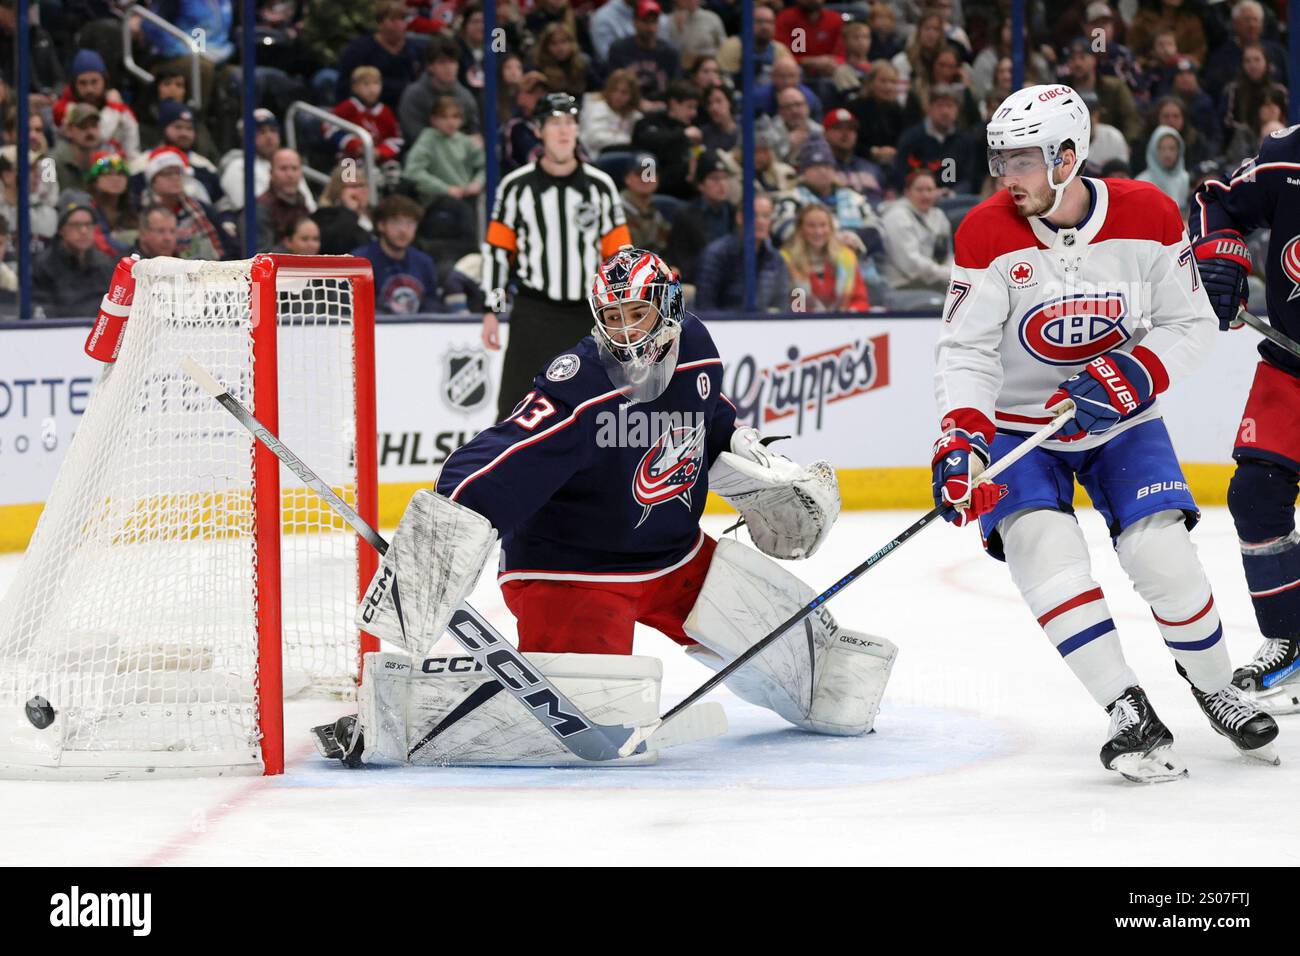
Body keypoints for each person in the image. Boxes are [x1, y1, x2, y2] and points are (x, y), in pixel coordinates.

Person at [318, 247, 893, 768]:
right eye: (611, 317)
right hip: (572, 573)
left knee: (798, 645)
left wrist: (749, 453)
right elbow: (506, 451)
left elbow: (710, 417)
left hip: (672, 556)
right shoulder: (581, 382)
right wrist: (442, 531)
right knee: (585, 712)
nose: (623, 331)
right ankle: (391, 717)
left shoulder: (695, 347)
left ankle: (828, 690)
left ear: (667, 307)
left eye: (635, 314)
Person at [932, 83, 1279, 782]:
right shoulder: (985, 230)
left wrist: (1133, 374)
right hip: (1019, 426)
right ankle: (1126, 706)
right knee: (1042, 550)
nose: (1008, 178)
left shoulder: (1147, 213)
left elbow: (1188, 325)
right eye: (1001, 161)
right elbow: (966, 350)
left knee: (1163, 558)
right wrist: (961, 439)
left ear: (1068, 156)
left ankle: (1214, 687)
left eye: (1023, 161)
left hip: (1122, 418)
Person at [1187, 124, 1300, 717]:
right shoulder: (1287, 156)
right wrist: (1220, 256)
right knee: (1256, 496)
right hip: (1291, 366)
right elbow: (1215, 203)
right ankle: (1292, 636)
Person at [481, 93, 631, 421]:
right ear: (539, 130)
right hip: (534, 314)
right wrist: (492, 309)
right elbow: (496, 253)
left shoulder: (600, 186)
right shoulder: (515, 187)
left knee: (597, 407)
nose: (563, 131)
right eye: (554, 123)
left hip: (587, 317)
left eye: (569, 123)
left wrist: (621, 316)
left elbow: (619, 256)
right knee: (514, 409)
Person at [694, 194, 789, 311]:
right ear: (739, 218)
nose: (760, 222)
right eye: (754, 215)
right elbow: (704, 305)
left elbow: (781, 304)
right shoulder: (717, 253)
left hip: (764, 326)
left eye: (766, 216)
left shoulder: (776, 259)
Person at [352, 194, 441, 314]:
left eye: (410, 223)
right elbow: (357, 309)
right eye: (397, 222)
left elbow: (432, 305)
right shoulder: (361, 261)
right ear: (381, 225)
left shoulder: (424, 262)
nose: (404, 230)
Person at [334, 1, 424, 111]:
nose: (399, 25)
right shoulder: (359, 49)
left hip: (408, 109)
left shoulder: (417, 49)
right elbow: (345, 86)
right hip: (366, 110)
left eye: (402, 19)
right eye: (393, 20)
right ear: (380, 22)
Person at [51, 49, 140, 160]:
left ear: (104, 82)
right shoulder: (62, 109)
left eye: (94, 82)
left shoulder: (123, 111)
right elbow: (99, 135)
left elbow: (132, 152)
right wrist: (113, 107)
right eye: (82, 83)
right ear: (74, 85)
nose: (89, 89)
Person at [32, 201, 116, 318]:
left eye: (88, 224)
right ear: (61, 230)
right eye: (76, 225)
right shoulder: (43, 266)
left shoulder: (104, 264)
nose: (84, 231)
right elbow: (42, 310)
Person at [143, 147, 229, 261]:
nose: (175, 178)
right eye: (167, 173)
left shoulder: (201, 209)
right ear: (153, 181)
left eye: (178, 173)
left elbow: (228, 247)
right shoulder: (143, 211)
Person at [781, 204, 869, 312]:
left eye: (823, 225)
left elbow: (860, 300)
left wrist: (851, 312)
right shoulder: (786, 260)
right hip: (800, 324)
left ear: (831, 228)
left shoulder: (847, 258)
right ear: (800, 229)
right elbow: (781, 302)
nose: (818, 232)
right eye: (811, 226)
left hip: (842, 324)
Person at [663, 149, 733, 284]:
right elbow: (680, 260)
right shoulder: (686, 216)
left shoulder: (735, 212)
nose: (722, 184)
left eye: (725, 177)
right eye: (714, 178)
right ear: (701, 185)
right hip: (700, 280)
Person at [398, 33, 482, 145]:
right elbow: (415, 136)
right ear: (430, 66)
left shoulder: (465, 97)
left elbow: (473, 132)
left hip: (459, 157)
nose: (449, 68)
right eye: (442, 62)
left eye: (452, 62)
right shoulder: (413, 95)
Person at [402, 96, 485, 207]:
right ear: (434, 119)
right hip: (435, 203)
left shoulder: (465, 141)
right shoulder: (427, 140)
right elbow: (412, 172)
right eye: (444, 117)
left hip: (466, 200)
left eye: (455, 117)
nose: (451, 122)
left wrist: (477, 183)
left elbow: (485, 166)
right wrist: (445, 189)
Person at [880, 168, 952, 291]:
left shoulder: (939, 216)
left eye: (930, 190)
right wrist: (948, 274)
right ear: (907, 192)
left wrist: (953, 272)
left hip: (937, 282)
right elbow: (911, 265)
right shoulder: (897, 216)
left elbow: (948, 255)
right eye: (919, 190)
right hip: (903, 286)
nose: (925, 195)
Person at [630, 81, 702, 201]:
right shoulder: (649, 122)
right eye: (689, 107)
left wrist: (696, 148)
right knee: (647, 159)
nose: (694, 113)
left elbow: (692, 158)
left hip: (683, 192)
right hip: (652, 188)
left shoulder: (689, 128)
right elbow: (649, 142)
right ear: (674, 104)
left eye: (695, 108)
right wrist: (682, 135)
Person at [605, 0, 681, 112]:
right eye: (645, 21)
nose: (650, 28)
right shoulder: (620, 49)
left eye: (654, 22)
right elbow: (613, 86)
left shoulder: (670, 53)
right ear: (634, 22)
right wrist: (637, 103)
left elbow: (676, 89)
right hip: (626, 108)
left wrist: (664, 105)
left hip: (661, 110)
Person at [327, 65, 405, 166]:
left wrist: (380, 152)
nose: (372, 89)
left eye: (376, 83)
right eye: (366, 84)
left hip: (378, 160)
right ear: (355, 87)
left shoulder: (385, 111)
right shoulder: (347, 107)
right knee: (348, 171)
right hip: (350, 158)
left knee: (393, 170)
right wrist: (354, 145)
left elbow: (396, 139)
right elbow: (329, 127)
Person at [717, 1, 792, 86]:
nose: (765, 27)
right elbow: (725, 80)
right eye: (759, 21)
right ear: (747, 23)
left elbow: (791, 80)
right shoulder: (732, 46)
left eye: (769, 22)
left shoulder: (780, 49)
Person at [254, 149, 315, 252]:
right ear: (271, 173)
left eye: (294, 168)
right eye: (283, 169)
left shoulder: (302, 204)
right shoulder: (259, 209)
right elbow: (261, 254)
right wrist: (292, 248)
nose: (290, 175)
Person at [313, 163, 374, 255]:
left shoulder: (374, 214)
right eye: (353, 186)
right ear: (338, 189)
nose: (360, 190)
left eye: (362, 185)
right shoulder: (324, 216)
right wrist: (350, 212)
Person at [580, 70, 643, 157]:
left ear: (632, 95)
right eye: (614, 90)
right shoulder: (598, 107)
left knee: (645, 157)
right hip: (595, 157)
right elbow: (594, 138)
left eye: (624, 92)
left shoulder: (634, 115)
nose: (618, 95)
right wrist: (627, 140)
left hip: (622, 155)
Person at [621, 151, 671, 253]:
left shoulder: (663, 211)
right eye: (639, 174)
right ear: (627, 178)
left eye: (650, 174)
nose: (645, 179)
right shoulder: (615, 209)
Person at [1135, 124, 1189, 208]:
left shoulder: (1185, 178)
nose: (1167, 154)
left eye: (1172, 148)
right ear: (1153, 151)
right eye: (1162, 148)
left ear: (1179, 150)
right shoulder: (1142, 181)